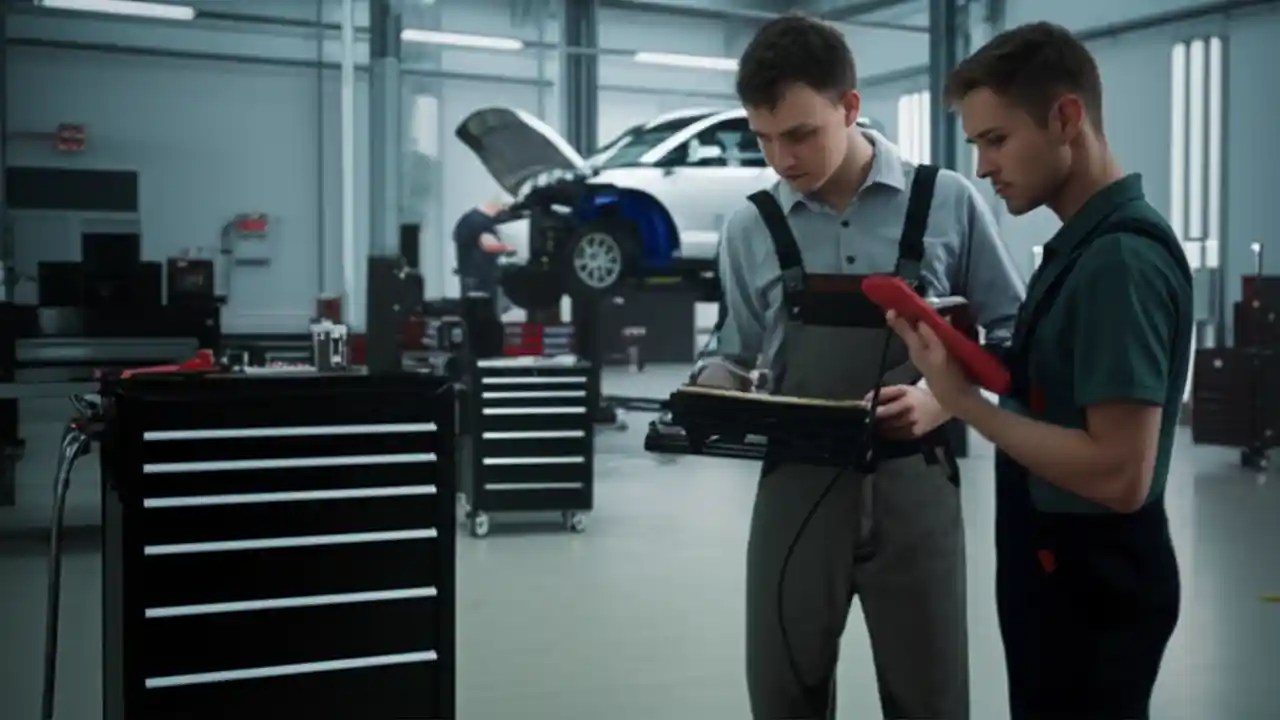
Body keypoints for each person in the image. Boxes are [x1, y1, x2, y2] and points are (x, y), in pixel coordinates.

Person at [690, 15, 1026, 720]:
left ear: (849, 107)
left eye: (800, 134)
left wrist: (941, 399)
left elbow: (1011, 337)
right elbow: (732, 350)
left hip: (916, 486)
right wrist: (709, 391)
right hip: (795, 489)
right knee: (783, 694)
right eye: (762, 138)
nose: (781, 158)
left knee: (932, 698)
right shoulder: (751, 227)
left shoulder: (948, 203)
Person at [888, 22, 1193, 720]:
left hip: (1093, 581)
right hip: (1064, 570)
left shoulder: (1119, 262)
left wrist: (963, 401)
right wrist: (973, 358)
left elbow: (1120, 474)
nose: (984, 167)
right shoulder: (1082, 250)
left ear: (1065, 118)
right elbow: (1060, 399)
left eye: (996, 140)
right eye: (977, 145)